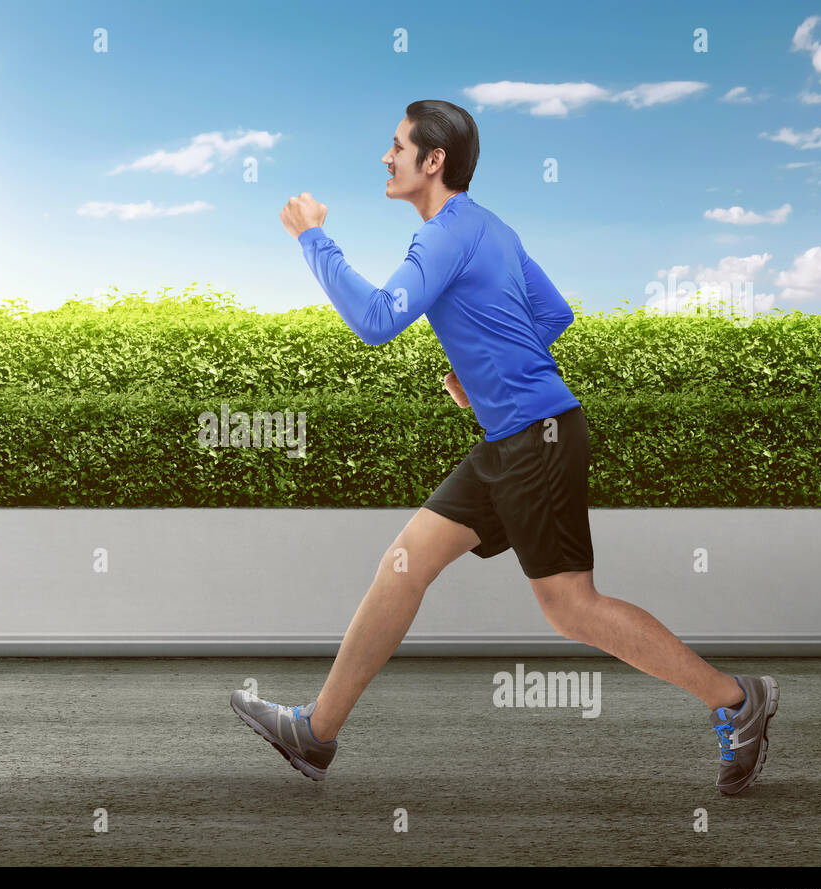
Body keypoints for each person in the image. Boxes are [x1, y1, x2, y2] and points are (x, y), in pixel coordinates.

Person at [230, 99, 777, 795]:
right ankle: (316, 733)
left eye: (397, 145)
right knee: (404, 565)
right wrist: (481, 372)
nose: (385, 156)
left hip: (536, 438)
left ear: (433, 161)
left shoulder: (440, 239)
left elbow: (375, 320)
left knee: (571, 607)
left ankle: (736, 699)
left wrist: (313, 238)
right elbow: (553, 313)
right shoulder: (492, 227)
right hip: (512, 438)